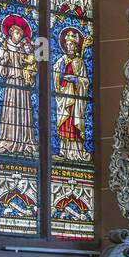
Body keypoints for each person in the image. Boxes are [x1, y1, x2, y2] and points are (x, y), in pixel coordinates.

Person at [0, 15, 36, 155]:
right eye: (17, 33)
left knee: (24, 111)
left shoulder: (24, 50)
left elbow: (33, 67)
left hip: (23, 86)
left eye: (21, 34)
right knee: (10, 111)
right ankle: (8, 140)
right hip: (12, 84)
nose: (19, 36)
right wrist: (4, 62)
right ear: (11, 32)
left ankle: (25, 142)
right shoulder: (4, 48)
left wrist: (29, 67)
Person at [53, 28, 91, 162]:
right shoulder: (61, 61)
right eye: (67, 45)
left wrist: (76, 80)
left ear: (76, 47)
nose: (69, 47)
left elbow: (85, 81)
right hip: (64, 97)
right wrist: (61, 74)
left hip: (76, 99)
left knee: (74, 124)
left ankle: (76, 152)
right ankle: (63, 151)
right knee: (64, 123)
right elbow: (56, 76)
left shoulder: (80, 62)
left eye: (72, 45)